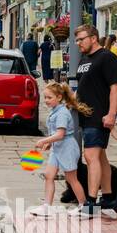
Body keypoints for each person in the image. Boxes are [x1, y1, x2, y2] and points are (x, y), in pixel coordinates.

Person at [72, 23, 117, 218]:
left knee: (90, 157)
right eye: (77, 39)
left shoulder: (108, 58)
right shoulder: (84, 59)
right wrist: (73, 100)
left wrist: (112, 114)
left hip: (99, 116)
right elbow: (84, 87)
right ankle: (109, 201)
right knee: (101, 157)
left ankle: (91, 204)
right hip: (86, 116)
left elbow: (116, 88)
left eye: (81, 39)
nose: (78, 43)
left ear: (93, 38)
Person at [29, 81, 91, 216]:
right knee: (48, 175)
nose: (46, 100)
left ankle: (84, 206)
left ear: (59, 97)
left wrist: (44, 140)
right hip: (58, 148)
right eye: (45, 97)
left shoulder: (62, 113)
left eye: (49, 97)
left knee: (71, 179)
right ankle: (46, 206)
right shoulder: (56, 111)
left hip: (67, 148)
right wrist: (50, 143)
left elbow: (60, 134)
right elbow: (56, 134)